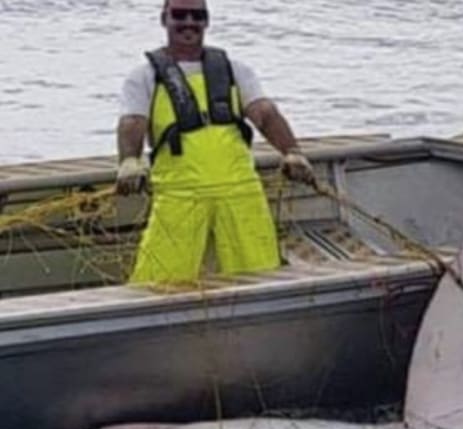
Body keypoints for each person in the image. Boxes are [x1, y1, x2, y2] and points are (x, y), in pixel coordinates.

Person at [115, 0, 314, 284]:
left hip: (240, 190)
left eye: (197, 16)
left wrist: (292, 152)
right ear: (164, 19)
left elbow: (264, 113)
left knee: (261, 275)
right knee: (159, 282)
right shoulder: (144, 76)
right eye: (179, 15)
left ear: (206, 21)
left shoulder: (235, 70)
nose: (189, 23)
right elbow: (131, 123)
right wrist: (130, 162)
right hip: (180, 195)